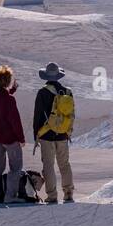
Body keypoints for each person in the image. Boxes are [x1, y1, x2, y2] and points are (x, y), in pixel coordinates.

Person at [32, 62, 75, 204]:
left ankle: (52, 196)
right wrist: (68, 132)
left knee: (48, 165)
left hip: (46, 135)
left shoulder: (42, 92)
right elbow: (71, 115)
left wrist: (36, 135)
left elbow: (37, 115)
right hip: (63, 134)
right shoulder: (67, 92)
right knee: (64, 164)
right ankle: (68, 192)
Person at [0, 65, 26, 205]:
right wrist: (21, 139)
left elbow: (3, 98)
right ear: (7, 81)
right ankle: (10, 196)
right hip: (10, 139)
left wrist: (13, 90)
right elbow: (15, 120)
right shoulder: (10, 100)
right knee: (15, 167)